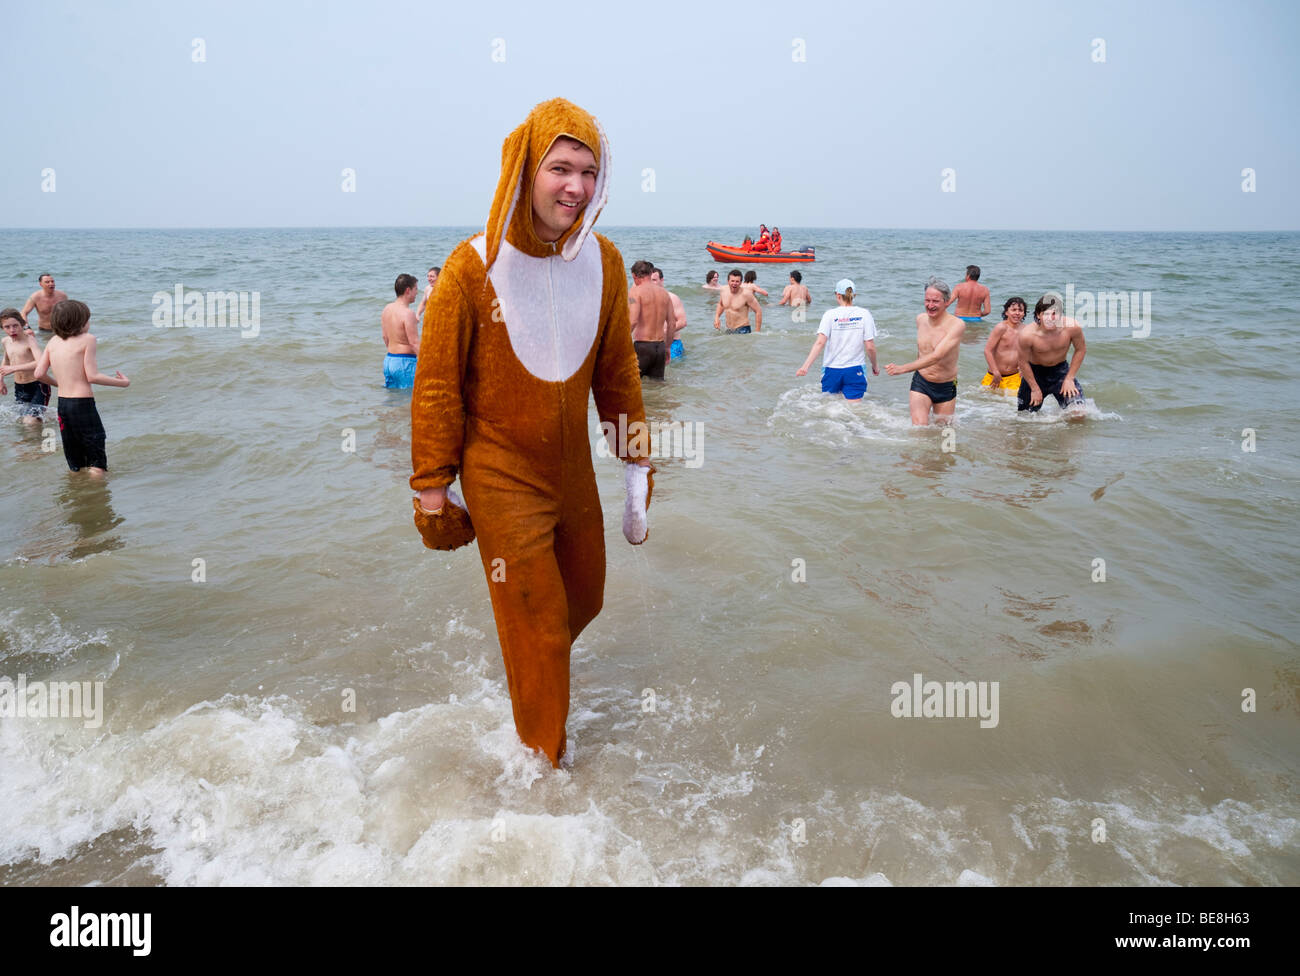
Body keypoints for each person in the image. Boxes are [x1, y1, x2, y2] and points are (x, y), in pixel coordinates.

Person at [409, 97, 653, 770]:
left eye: (589, 172)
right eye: (561, 168)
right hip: (499, 473)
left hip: (571, 469)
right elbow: (435, 387)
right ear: (525, 167)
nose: (575, 187)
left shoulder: (604, 262)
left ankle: (531, 673)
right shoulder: (470, 267)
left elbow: (617, 374)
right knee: (544, 627)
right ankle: (544, 775)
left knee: (586, 599)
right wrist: (431, 487)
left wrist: (636, 467)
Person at [31, 300, 129, 476]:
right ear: (80, 321)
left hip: (63, 405)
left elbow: (38, 374)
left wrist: (59, 383)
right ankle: (96, 500)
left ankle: (79, 497)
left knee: (75, 458)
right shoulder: (88, 339)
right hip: (82, 404)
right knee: (96, 460)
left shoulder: (53, 341)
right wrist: (123, 383)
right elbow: (92, 376)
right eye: (87, 319)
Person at [885, 276, 965, 425]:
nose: (930, 305)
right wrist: (914, 370)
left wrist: (902, 369)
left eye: (935, 301)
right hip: (921, 381)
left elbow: (937, 356)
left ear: (947, 302)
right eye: (927, 300)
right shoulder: (920, 319)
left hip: (946, 385)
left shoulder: (957, 325)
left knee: (944, 434)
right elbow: (922, 351)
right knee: (919, 430)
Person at [795, 279, 878, 399]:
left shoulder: (829, 314)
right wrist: (875, 366)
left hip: (831, 369)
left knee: (831, 409)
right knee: (854, 410)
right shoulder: (865, 314)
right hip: (855, 369)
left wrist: (805, 367)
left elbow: (820, 343)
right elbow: (870, 346)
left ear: (838, 295)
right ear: (854, 295)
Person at [1017, 293, 1087, 413]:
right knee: (1025, 417)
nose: (1051, 318)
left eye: (1055, 314)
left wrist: (1069, 378)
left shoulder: (1072, 327)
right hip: (1035, 373)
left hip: (1060, 371)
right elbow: (1022, 362)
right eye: (1046, 314)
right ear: (1039, 315)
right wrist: (1034, 388)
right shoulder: (1027, 335)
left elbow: (1080, 349)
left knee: (1078, 412)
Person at [0, 309, 49, 424]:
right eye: (7, 327)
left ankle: (36, 439)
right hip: (20, 388)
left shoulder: (30, 340)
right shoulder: (5, 341)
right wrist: (1, 380)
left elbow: (41, 362)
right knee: (23, 420)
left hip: (38, 386)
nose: (12, 330)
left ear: (22, 324)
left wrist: (14, 368)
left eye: (15, 325)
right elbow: (6, 360)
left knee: (30, 421)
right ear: (2, 328)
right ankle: (32, 441)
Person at [629, 260, 674, 379]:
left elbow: (632, 321)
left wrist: (620, 341)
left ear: (635, 276)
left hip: (643, 347)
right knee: (657, 387)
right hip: (660, 348)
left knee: (632, 384)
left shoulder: (635, 292)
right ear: (650, 274)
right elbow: (672, 324)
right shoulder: (665, 294)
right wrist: (668, 347)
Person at [382, 273, 421, 389]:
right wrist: (428, 364)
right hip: (405, 363)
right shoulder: (408, 313)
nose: (417, 293)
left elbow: (385, 338)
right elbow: (414, 343)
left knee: (393, 401)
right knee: (409, 401)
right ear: (408, 290)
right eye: (416, 289)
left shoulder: (387, 309)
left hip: (389, 361)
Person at [981, 296, 1027, 394]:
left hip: (1015, 377)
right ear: (1006, 312)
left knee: (1013, 406)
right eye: (1013, 310)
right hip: (994, 377)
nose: (1017, 313)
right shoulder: (1001, 328)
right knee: (986, 405)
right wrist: (995, 371)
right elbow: (987, 350)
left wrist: (1025, 366)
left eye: (1020, 310)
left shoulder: (1025, 330)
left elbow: (1029, 352)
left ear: (1024, 313)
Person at [651, 268, 687, 360]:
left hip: (672, 343)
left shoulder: (672, 298)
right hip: (652, 343)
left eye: (654, 280)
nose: (651, 283)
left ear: (662, 280)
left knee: (671, 368)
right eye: (649, 280)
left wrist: (665, 331)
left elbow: (682, 322)